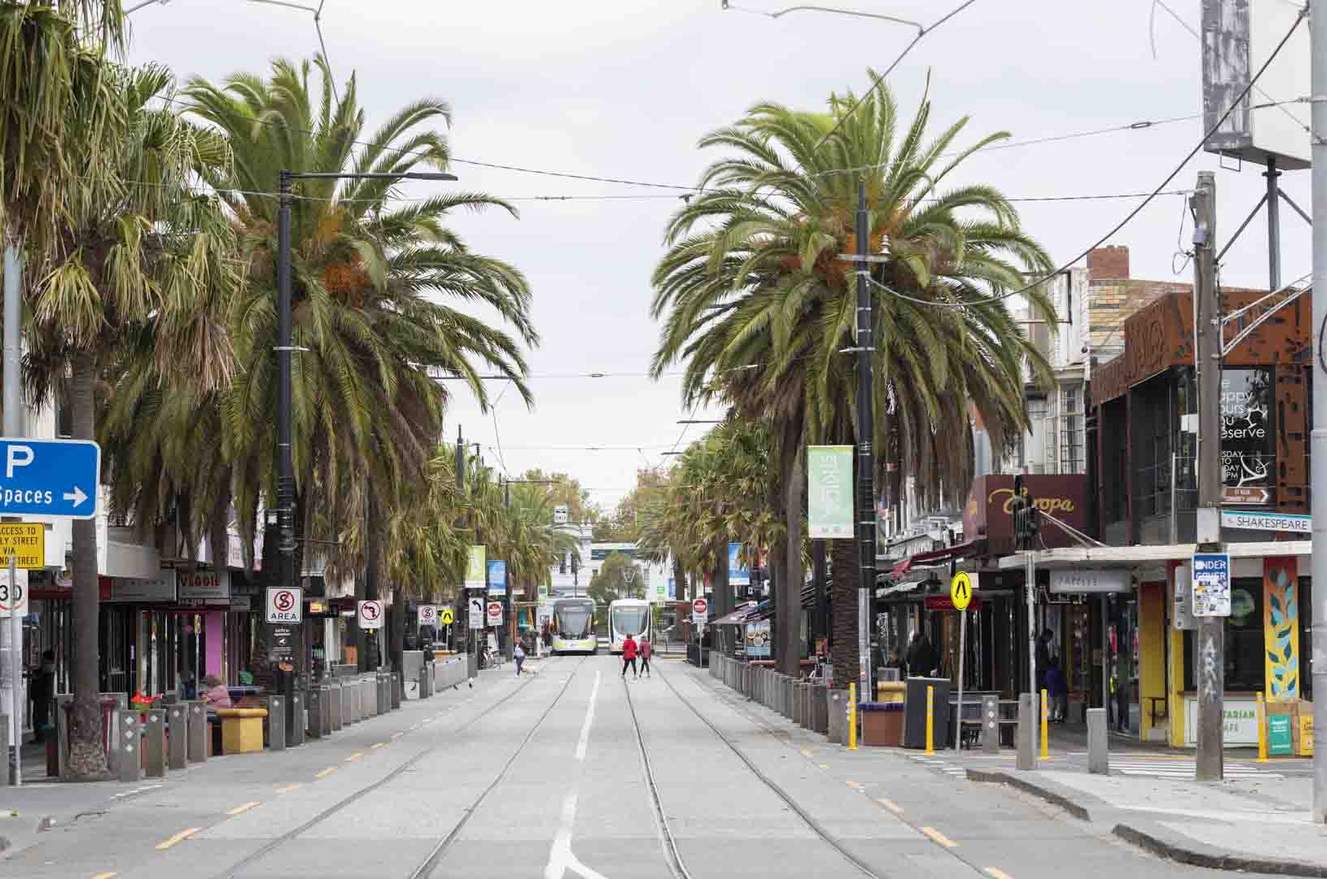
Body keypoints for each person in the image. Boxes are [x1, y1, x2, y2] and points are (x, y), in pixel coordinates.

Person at [29, 650, 55, 744]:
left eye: (43, 658)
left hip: (41, 697)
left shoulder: (47, 669)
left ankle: (41, 737)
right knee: (42, 717)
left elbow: (38, 678)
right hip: (42, 697)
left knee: (40, 718)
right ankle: (43, 737)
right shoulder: (47, 669)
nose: (42, 660)